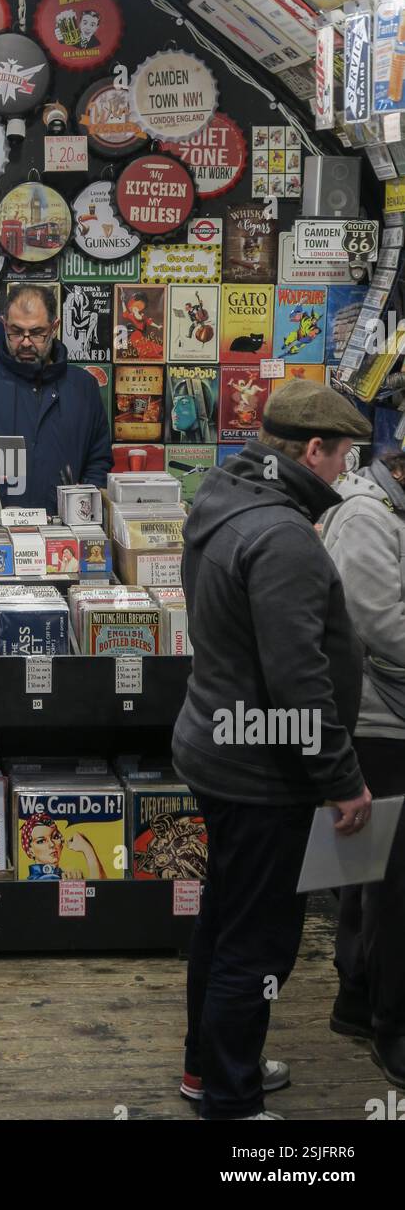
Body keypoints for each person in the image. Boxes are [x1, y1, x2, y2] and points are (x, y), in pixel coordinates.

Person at [172, 380, 373, 1121]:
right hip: (262, 772)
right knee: (257, 948)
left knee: (224, 922)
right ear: (312, 450)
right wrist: (344, 782)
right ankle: (231, 1100)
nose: (346, 473)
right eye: (343, 456)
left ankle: (209, 1068)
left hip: (219, 747)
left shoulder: (227, 499)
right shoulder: (283, 536)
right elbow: (300, 679)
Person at [320, 449, 405, 1088]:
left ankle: (357, 1001)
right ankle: (391, 1023)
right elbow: (381, 624)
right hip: (382, 724)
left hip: (386, 720)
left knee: (373, 872)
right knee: (389, 881)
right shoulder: (367, 516)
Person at [0, 284, 111, 515]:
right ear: (4, 325)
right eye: (16, 332)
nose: (25, 342)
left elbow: (100, 458)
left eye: (36, 333)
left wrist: (82, 505)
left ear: (54, 327)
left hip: (62, 531)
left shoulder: (83, 387)